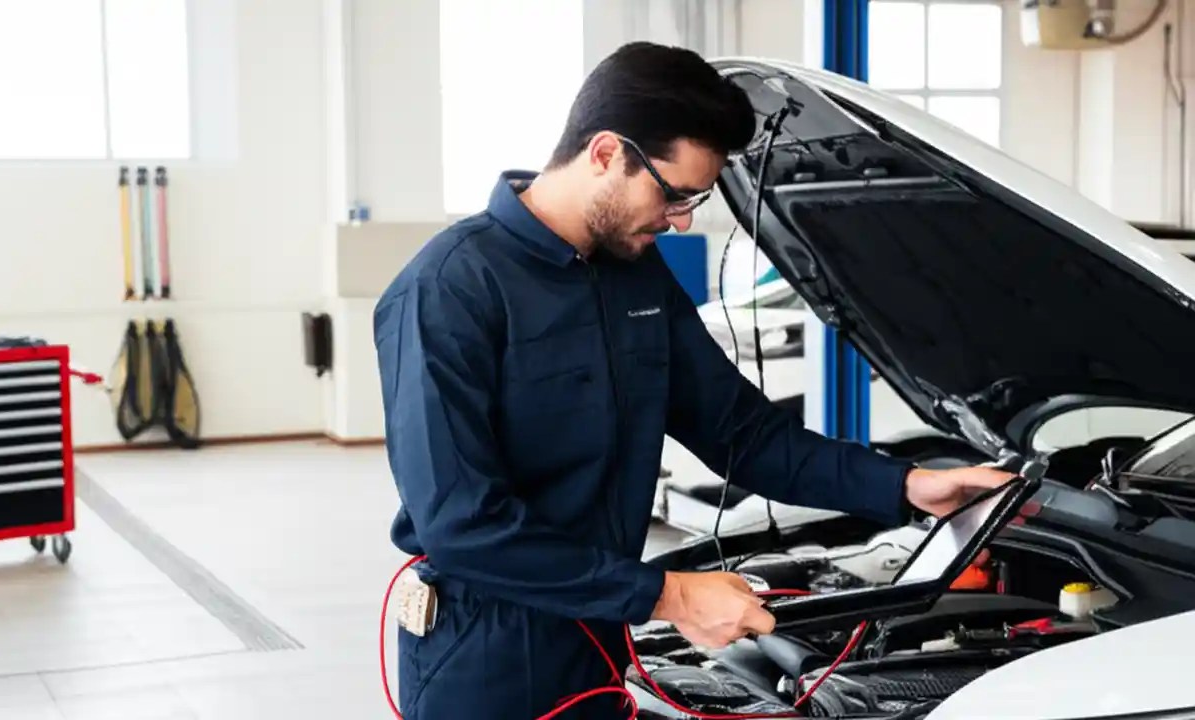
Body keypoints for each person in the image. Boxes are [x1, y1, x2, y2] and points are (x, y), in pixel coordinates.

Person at [373, 41, 1012, 720]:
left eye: (696, 199)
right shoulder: (449, 290)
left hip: (601, 632)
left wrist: (908, 485)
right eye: (673, 194)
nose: (680, 220)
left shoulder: (634, 277)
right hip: (487, 655)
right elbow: (463, 526)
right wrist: (669, 596)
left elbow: (743, 433)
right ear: (605, 154)